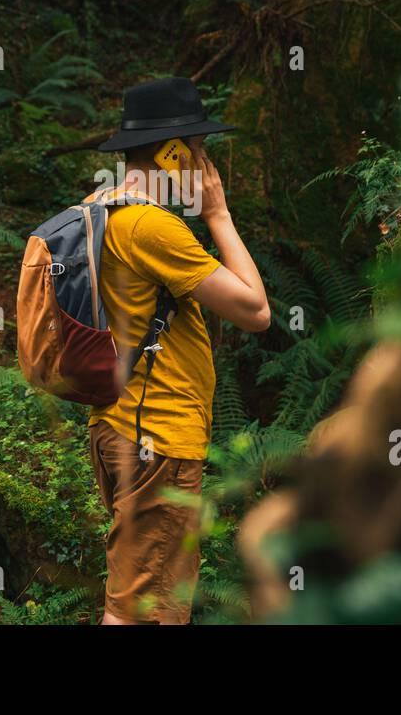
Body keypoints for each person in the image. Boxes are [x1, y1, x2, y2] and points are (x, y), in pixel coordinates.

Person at [89, 77, 269, 624]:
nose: (207, 165)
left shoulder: (98, 209)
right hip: (158, 435)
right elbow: (255, 310)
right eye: (200, 150)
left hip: (116, 423)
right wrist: (218, 214)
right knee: (143, 608)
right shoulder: (151, 227)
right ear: (173, 153)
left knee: (145, 596)